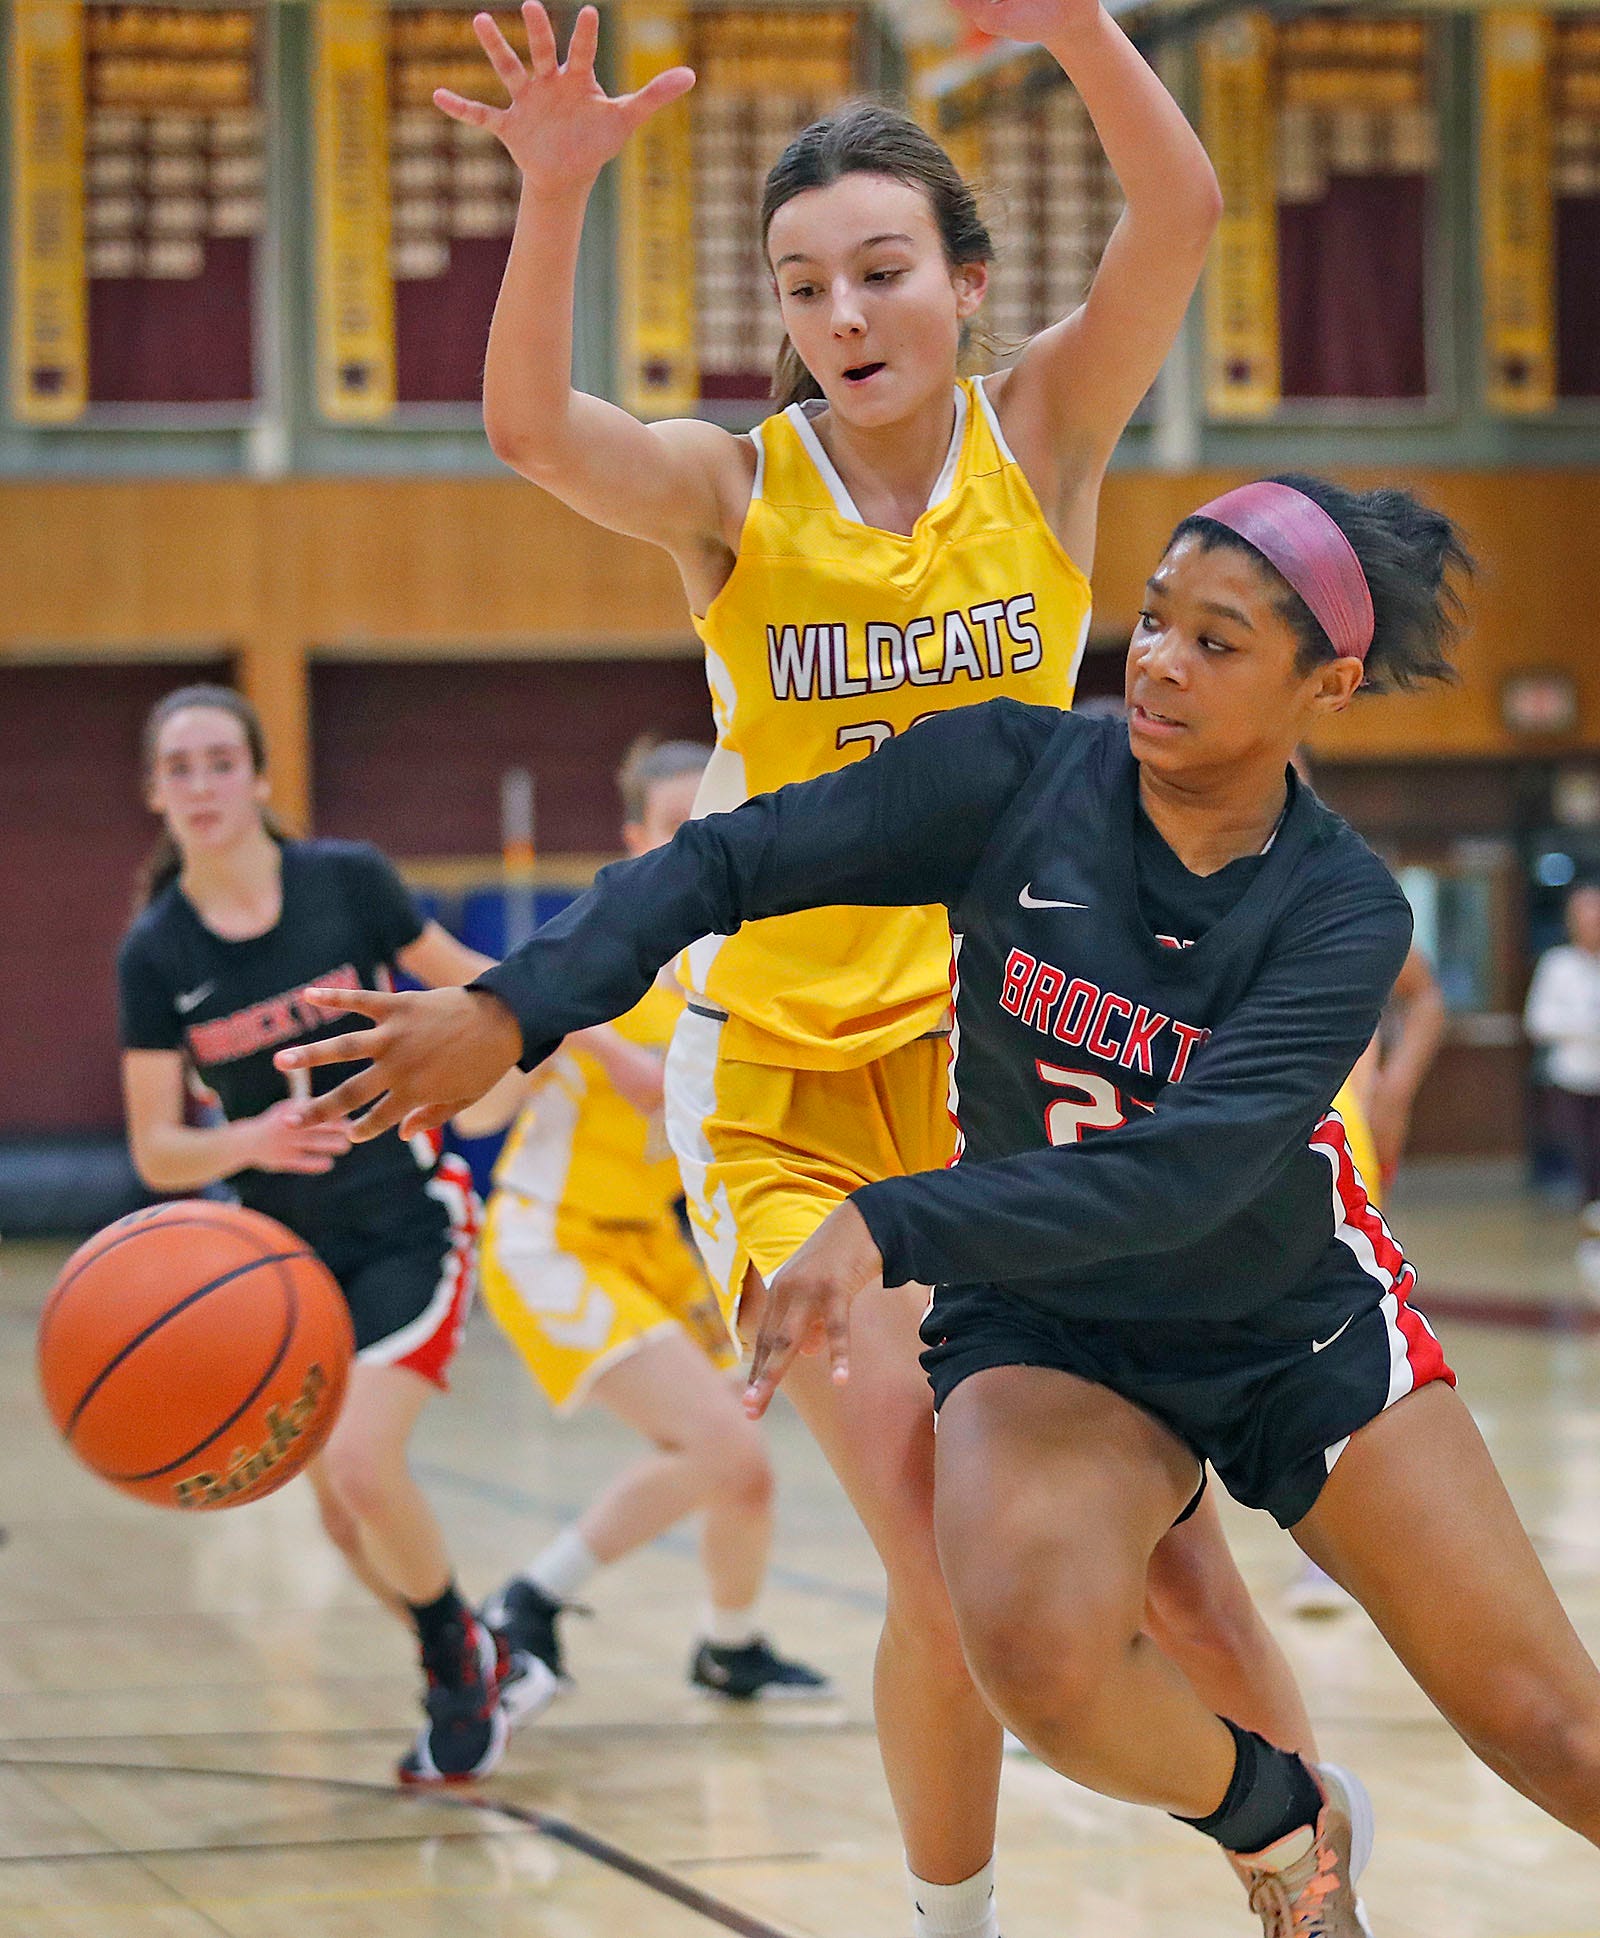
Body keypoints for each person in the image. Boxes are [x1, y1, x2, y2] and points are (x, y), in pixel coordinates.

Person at [284, 475, 1600, 1931]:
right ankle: (1286, 1823)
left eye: (1218, 644)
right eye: (1153, 617)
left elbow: (1190, 1174)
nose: (1157, 659)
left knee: (1555, 1733)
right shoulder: (1012, 776)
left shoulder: (1345, 907)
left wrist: (889, 1221)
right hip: (1054, 1328)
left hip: (1295, 1320)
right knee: (1033, 1659)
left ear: (1328, 683)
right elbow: (728, 857)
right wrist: (512, 1003)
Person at [389, 8, 1320, 1932]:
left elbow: (1186, 202)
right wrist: (554, 194)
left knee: (1177, 1562)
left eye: (883, 269)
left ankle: (1302, 1877)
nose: (844, 311)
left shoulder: (1042, 432)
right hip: (795, 1086)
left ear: (965, 284)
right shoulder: (738, 493)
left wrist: (1072, 23)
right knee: (943, 1562)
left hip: (1023, 1072)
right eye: (803, 285)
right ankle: (950, 1922)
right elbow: (528, 432)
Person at [118, 684, 509, 1785]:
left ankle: (456, 1662)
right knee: (345, 1516)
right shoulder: (157, 954)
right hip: (281, 1261)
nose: (200, 784)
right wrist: (250, 1138)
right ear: (156, 791)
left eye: (217, 762)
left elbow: (482, 995)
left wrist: (503, 1079)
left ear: (258, 779)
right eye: (178, 767)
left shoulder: (347, 883)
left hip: (408, 1222)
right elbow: (158, 1151)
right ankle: (469, 1642)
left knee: (360, 1466)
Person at [461, 739, 828, 1705]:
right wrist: (561, 1023)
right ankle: (529, 1601)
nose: (696, 839)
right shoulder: (591, 965)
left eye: (709, 820)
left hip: (657, 1248)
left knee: (746, 1469)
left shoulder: (736, 974)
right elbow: (475, 1116)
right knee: (721, 1448)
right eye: (675, 826)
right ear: (639, 842)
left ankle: (730, 1645)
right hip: (553, 1240)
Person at [1286, 920, 1446, 1619]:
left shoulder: (1336, 880)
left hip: (1337, 1115)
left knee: (1331, 1326)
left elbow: (1426, 996)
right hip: (1235, 1116)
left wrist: (1396, 1088)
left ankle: (1333, 1553)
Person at [1524, 881, 1600, 1293]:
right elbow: (1538, 1022)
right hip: (1572, 1080)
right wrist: (1584, 1028)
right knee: (1585, 1157)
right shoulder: (1557, 965)